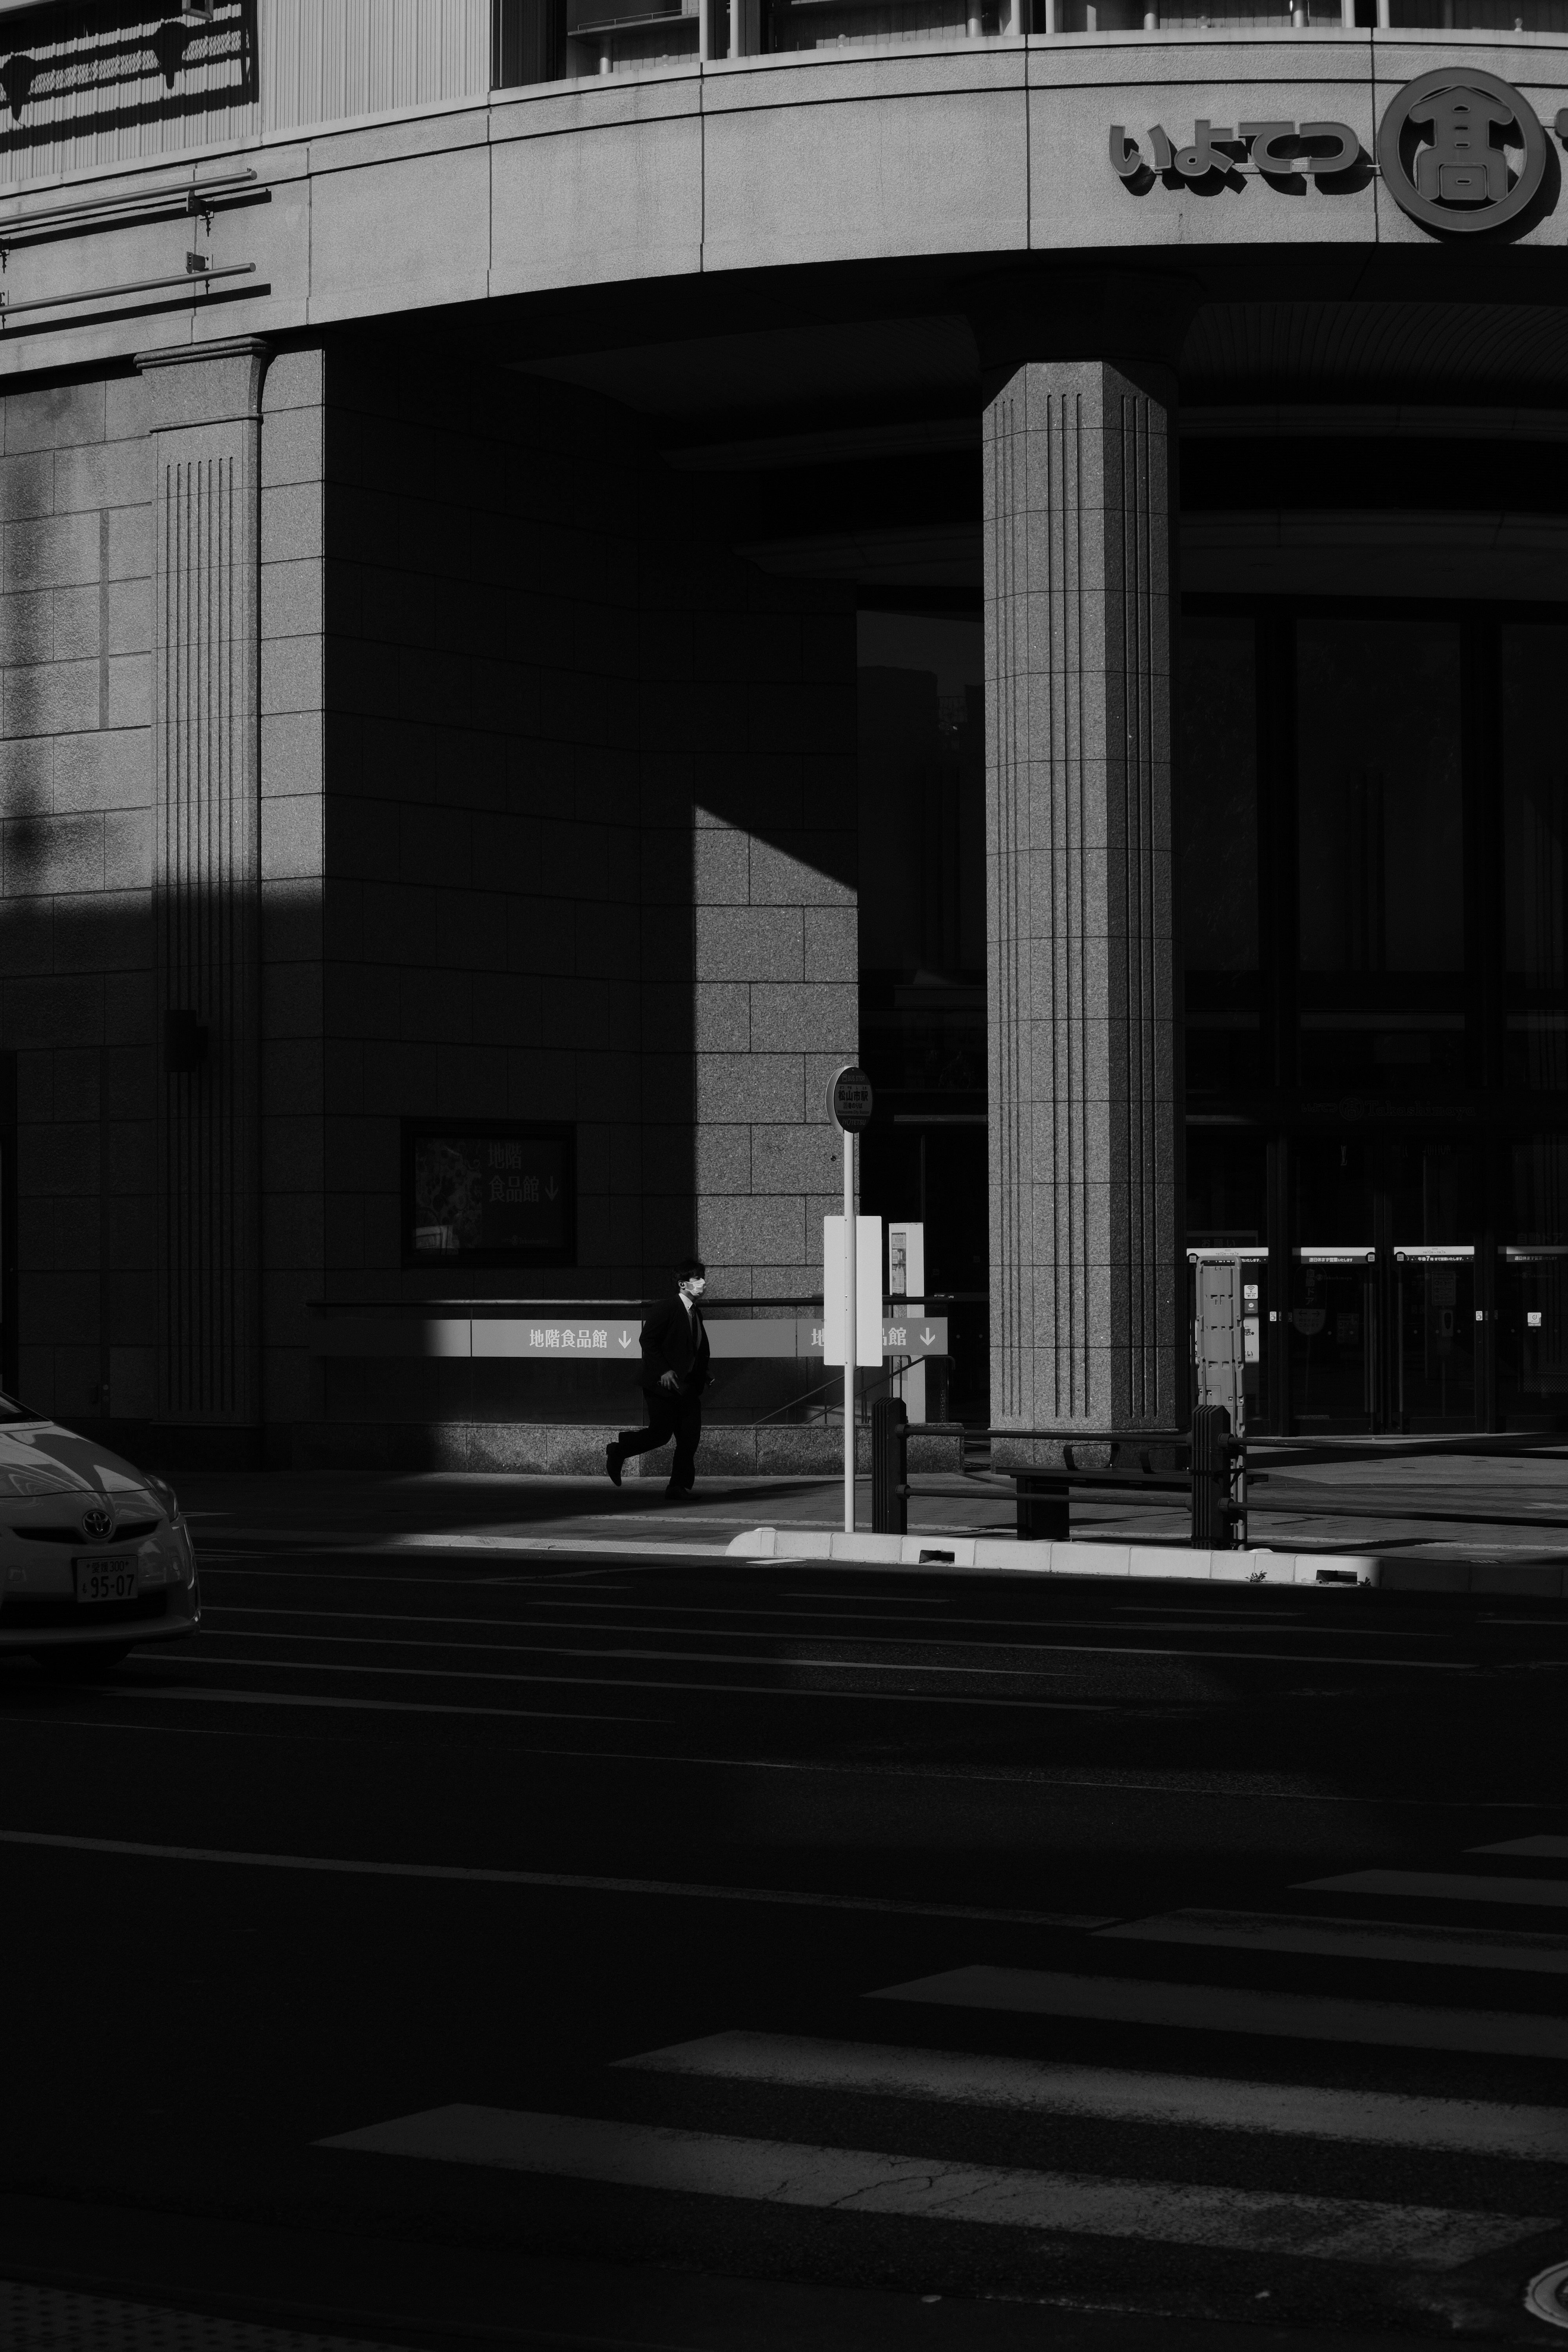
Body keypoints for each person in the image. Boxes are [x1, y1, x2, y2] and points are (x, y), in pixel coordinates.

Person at [606, 1257, 710, 1498]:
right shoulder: (667, 1307)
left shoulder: (696, 1312)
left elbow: (691, 1346)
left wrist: (703, 1370)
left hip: (687, 1385)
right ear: (683, 1284)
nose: (703, 1282)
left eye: (703, 1277)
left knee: (690, 1436)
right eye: (697, 1278)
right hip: (661, 1384)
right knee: (660, 1435)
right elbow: (648, 1341)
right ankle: (619, 1450)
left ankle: (677, 1486)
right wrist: (664, 1370)